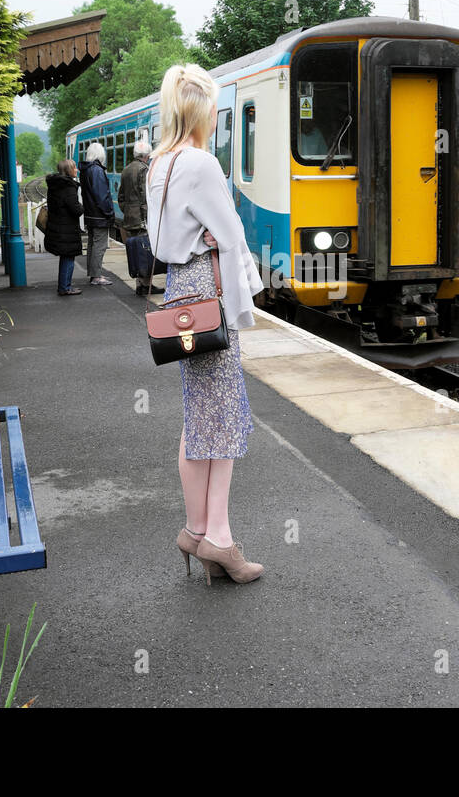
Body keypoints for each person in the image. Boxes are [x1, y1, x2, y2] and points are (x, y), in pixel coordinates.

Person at [147, 63, 266, 586]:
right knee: (225, 416)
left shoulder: (160, 164)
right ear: (200, 111)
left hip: (179, 290)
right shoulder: (199, 164)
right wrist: (245, 306)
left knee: (200, 416)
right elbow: (232, 234)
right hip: (209, 291)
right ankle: (218, 536)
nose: (217, 117)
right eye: (214, 108)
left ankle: (198, 529)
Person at [118, 138, 162, 296]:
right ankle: (145, 285)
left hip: (130, 218)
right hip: (141, 219)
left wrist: (128, 211)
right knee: (145, 251)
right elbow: (146, 197)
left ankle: (140, 284)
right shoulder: (145, 169)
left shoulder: (126, 169)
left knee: (136, 251)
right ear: (147, 155)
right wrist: (146, 218)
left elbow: (121, 197)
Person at [44, 159, 84, 296]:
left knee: (65, 257)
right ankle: (65, 287)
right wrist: (82, 207)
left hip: (58, 226)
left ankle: (64, 285)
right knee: (68, 257)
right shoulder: (68, 187)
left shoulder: (55, 185)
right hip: (66, 228)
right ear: (68, 170)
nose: (76, 170)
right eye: (74, 168)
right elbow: (76, 209)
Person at [78, 142, 115, 286]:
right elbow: (101, 195)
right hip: (99, 215)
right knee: (99, 246)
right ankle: (96, 276)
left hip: (90, 213)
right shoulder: (97, 170)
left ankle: (94, 273)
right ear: (100, 154)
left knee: (92, 245)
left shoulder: (86, 170)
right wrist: (109, 212)